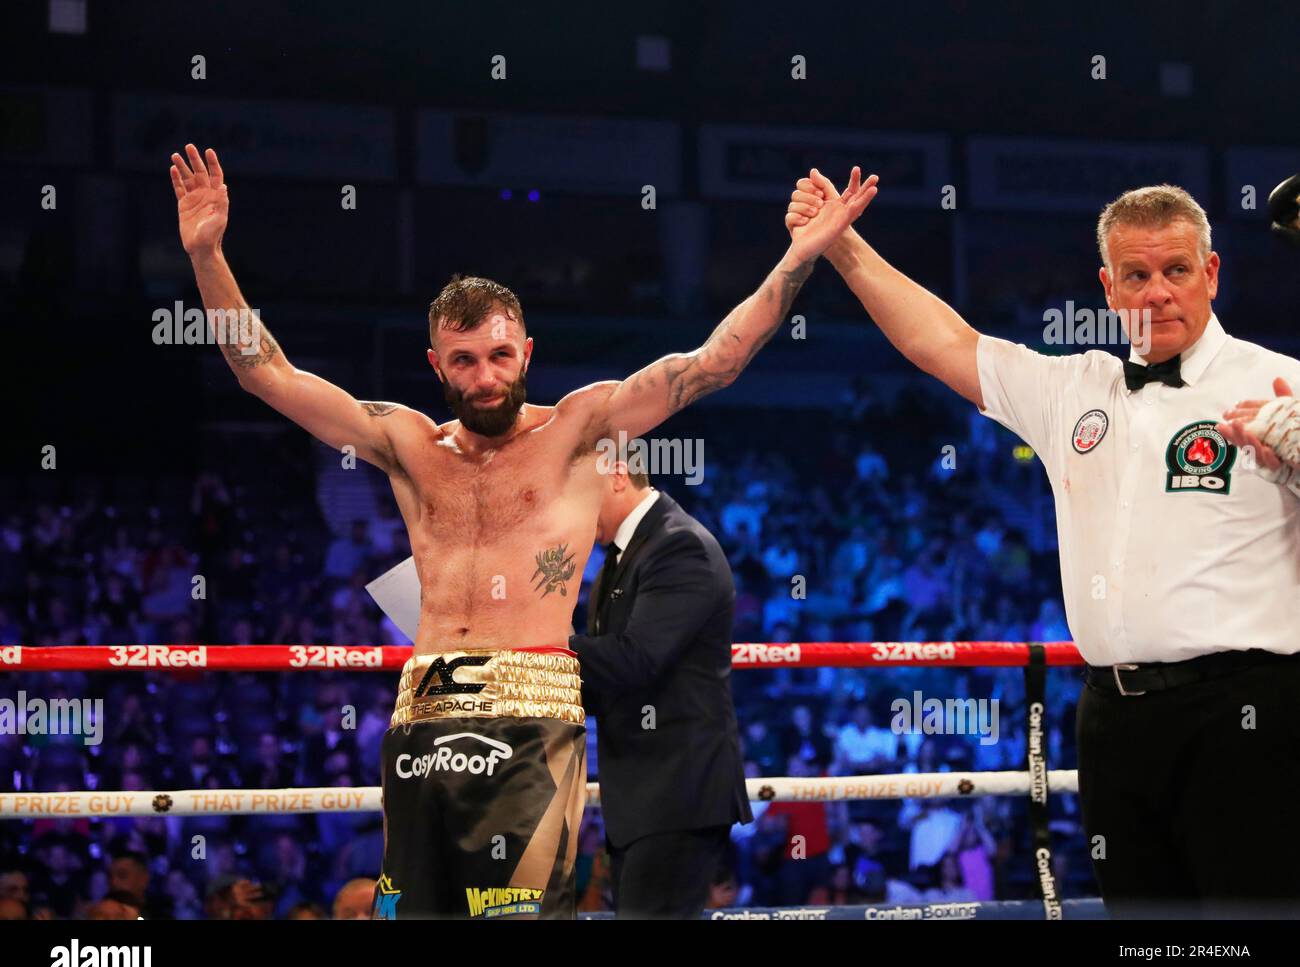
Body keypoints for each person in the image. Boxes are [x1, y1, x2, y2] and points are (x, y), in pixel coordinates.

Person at [170, 143, 873, 920]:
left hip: (531, 712)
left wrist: (802, 256)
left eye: (501, 355)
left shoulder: (578, 430)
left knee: (516, 914)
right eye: (465, 360)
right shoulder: (406, 442)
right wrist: (207, 255)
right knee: (408, 915)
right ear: (436, 364)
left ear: (527, 352)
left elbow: (715, 362)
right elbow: (264, 372)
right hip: (423, 706)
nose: (486, 376)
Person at [789, 170, 1300, 918]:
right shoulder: (1073, 389)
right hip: (1112, 718)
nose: (1158, 293)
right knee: (1152, 950)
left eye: (1177, 270)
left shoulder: (1283, 383)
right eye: (1137, 276)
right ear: (1108, 288)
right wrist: (842, 247)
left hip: (1247, 713)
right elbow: (942, 341)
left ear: (1211, 273)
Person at [569, 457, 751, 918]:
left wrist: (535, 645)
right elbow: (607, 679)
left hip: (678, 793)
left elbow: (638, 659)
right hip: (643, 797)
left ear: (616, 475)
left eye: (574, 492)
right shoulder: (620, 558)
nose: (567, 510)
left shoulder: (678, 545)